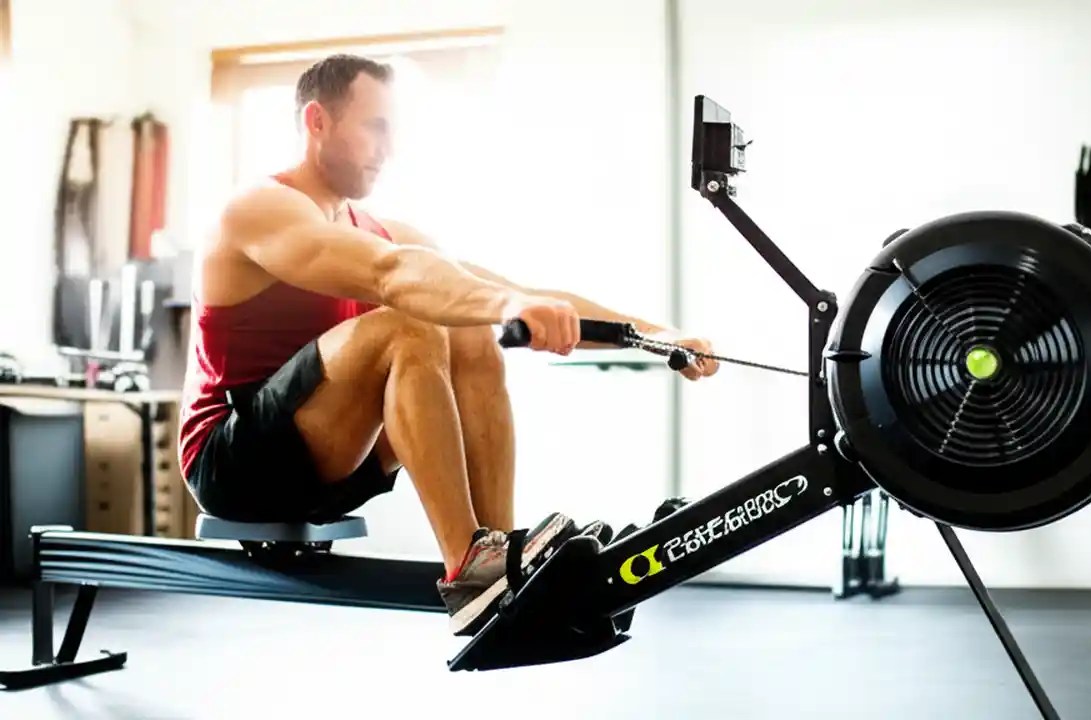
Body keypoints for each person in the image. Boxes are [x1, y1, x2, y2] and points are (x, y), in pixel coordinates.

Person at [177, 54, 719, 636]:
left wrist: (652, 336)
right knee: (410, 321)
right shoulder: (260, 208)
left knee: (461, 319)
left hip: (327, 461)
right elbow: (389, 274)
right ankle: (469, 566)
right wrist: (504, 308)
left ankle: (506, 560)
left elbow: (509, 290)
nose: (388, 147)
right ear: (317, 122)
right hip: (233, 463)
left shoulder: (377, 226)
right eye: (375, 126)